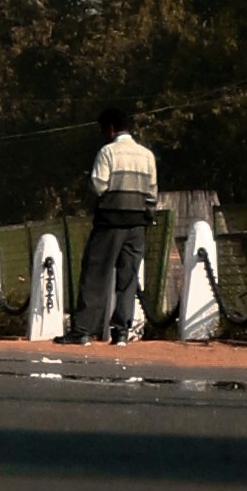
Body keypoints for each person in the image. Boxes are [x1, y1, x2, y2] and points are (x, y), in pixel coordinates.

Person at [84, 114, 159, 345]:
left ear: (111, 128)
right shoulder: (146, 155)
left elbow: (99, 185)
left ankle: (83, 331)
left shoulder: (108, 152)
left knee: (95, 275)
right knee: (128, 279)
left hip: (110, 221)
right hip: (137, 225)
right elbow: (152, 192)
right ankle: (121, 333)